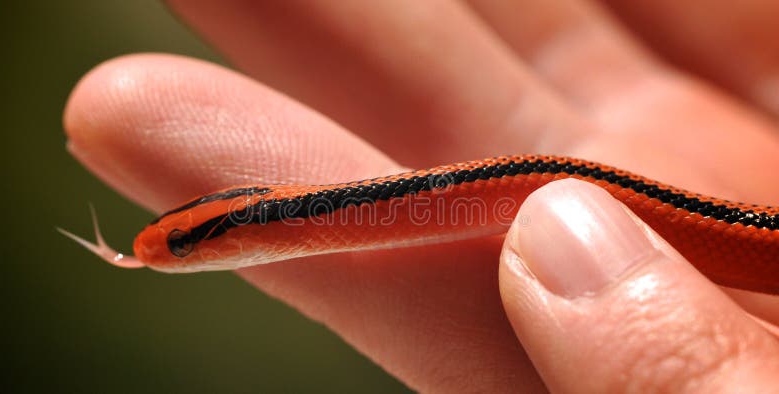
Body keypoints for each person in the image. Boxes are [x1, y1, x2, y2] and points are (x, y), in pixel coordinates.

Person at [63, 1, 779, 392]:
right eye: (181, 238)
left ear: (239, 234)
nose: (167, 246)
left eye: (188, 240)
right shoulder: (315, 220)